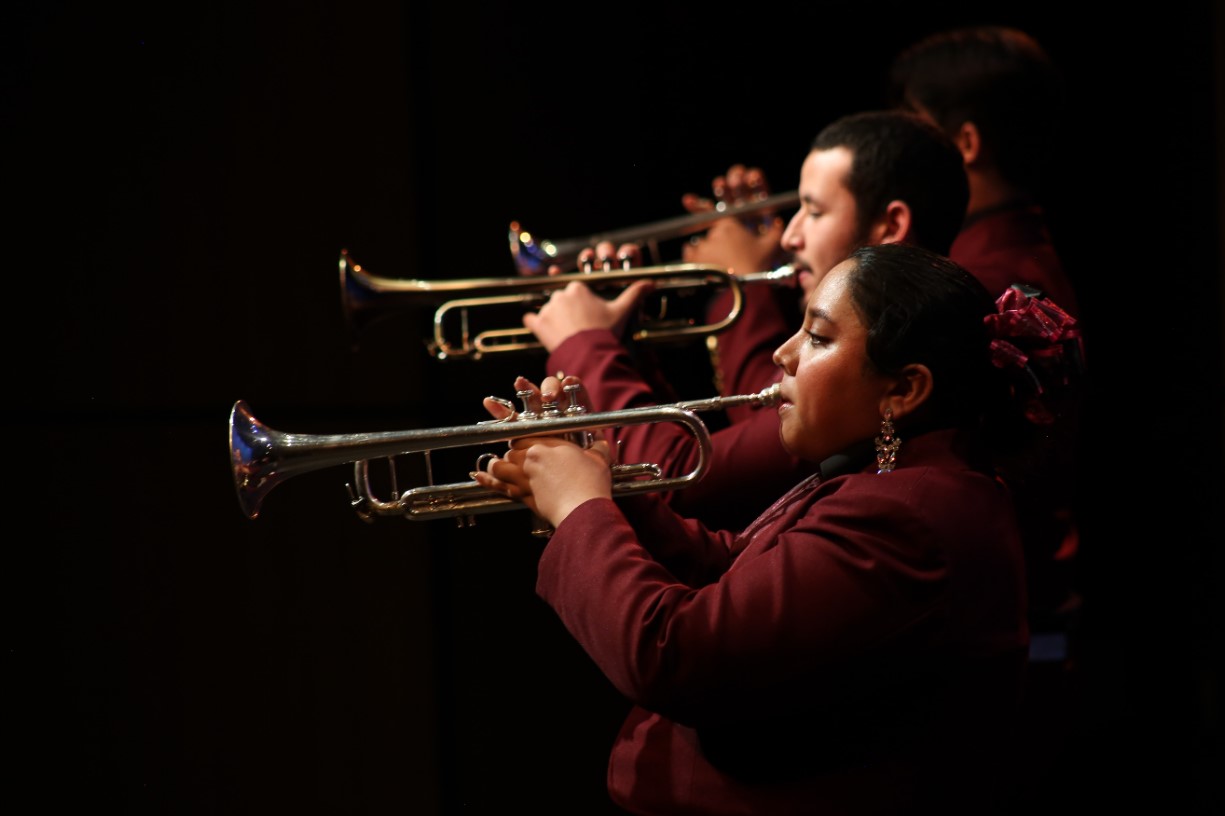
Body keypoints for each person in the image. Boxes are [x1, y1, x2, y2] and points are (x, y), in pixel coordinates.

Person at [473, 242, 1084, 814]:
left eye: (817, 337)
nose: (781, 353)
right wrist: (609, 490)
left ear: (903, 389)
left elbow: (675, 656)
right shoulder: (899, 482)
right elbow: (732, 567)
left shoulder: (912, 516)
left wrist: (579, 508)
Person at [522, 109, 969, 531]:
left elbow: (679, 474)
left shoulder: (862, 378)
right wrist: (624, 348)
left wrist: (586, 342)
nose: (789, 235)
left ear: (891, 226)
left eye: (813, 211)